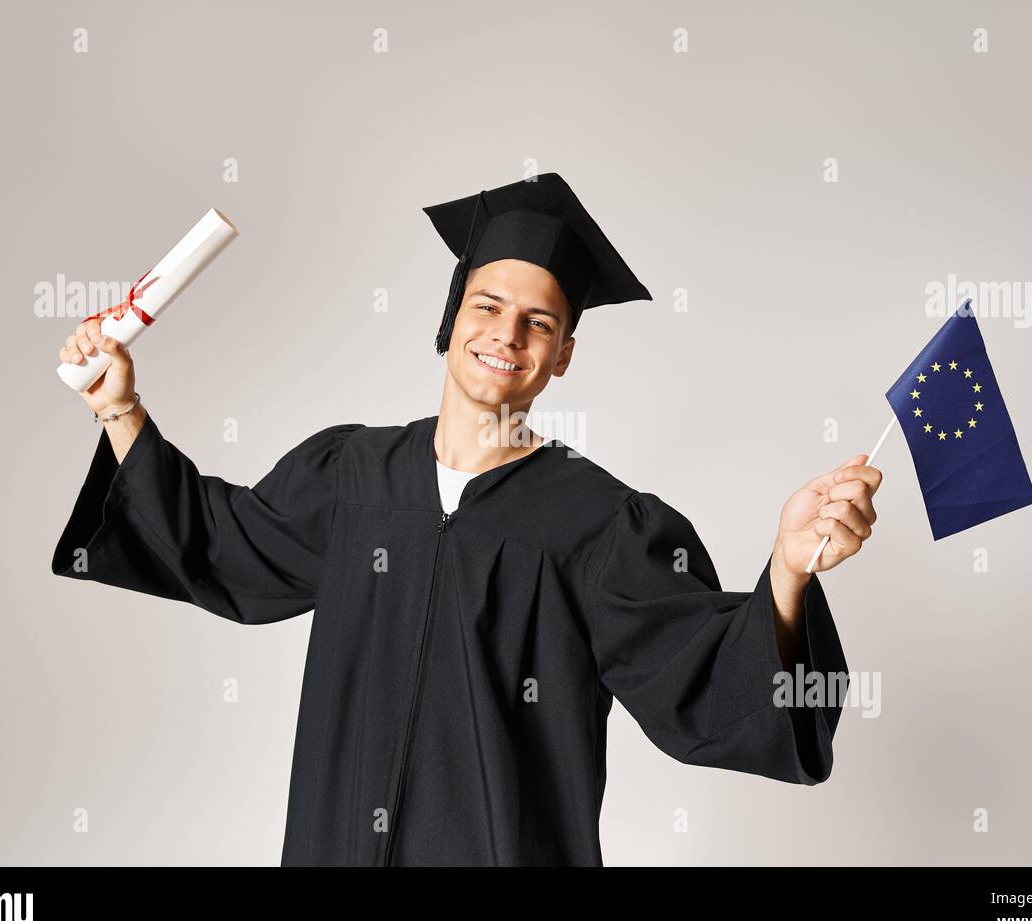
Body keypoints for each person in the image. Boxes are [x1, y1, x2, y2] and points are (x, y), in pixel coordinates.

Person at [51, 172, 882, 866]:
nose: (507, 334)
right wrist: (122, 411)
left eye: (539, 322)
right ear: (451, 321)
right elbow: (219, 547)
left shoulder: (601, 527)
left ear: (563, 354)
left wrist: (785, 572)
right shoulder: (351, 476)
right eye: (487, 306)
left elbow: (703, 684)